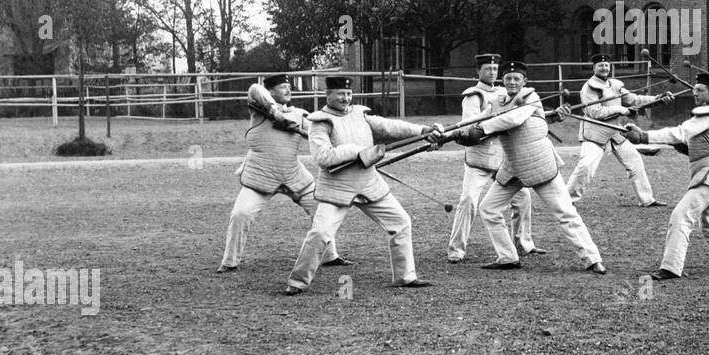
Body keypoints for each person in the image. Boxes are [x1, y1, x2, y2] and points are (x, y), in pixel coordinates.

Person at [439, 61, 606, 274]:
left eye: (516, 78)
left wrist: (482, 129)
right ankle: (507, 256)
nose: (512, 82)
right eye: (508, 78)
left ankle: (592, 258)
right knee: (488, 208)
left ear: (524, 81)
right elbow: (477, 119)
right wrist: (447, 135)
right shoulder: (497, 101)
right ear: (503, 81)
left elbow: (513, 119)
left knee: (565, 212)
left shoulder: (531, 97)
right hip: (513, 167)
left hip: (539, 165)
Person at [285, 76, 435, 294]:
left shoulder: (360, 114)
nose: (346, 98)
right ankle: (297, 283)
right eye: (340, 94)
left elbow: (390, 126)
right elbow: (322, 157)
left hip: (368, 182)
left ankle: (405, 276)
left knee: (401, 222)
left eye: (348, 94)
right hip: (337, 187)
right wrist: (357, 150)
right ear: (328, 95)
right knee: (320, 233)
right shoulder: (320, 122)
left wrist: (423, 131)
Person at [218, 74, 352, 273]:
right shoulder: (259, 109)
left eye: (289, 86)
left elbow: (316, 136)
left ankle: (329, 255)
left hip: (293, 175)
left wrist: (296, 127)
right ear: (271, 91)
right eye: (283, 87)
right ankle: (230, 261)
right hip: (261, 174)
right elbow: (255, 88)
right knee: (240, 213)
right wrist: (275, 112)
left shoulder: (300, 114)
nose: (288, 90)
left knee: (322, 210)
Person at [624, 71, 709, 280]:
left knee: (680, 216)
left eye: (700, 90)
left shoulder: (708, 114)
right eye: (694, 89)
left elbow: (679, 133)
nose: (694, 93)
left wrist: (643, 136)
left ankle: (671, 267)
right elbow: (697, 142)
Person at [445, 54, 540, 263]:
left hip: (501, 158)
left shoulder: (503, 93)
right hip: (479, 158)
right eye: (487, 69)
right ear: (477, 72)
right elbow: (469, 126)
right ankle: (456, 249)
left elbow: (519, 116)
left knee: (523, 198)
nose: (492, 72)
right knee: (469, 200)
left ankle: (524, 243)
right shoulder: (473, 96)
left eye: (495, 69)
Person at [564, 53, 668, 208]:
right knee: (586, 166)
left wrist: (657, 99)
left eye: (606, 65)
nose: (604, 68)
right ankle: (566, 201)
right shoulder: (589, 88)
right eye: (600, 65)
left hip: (614, 132)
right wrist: (620, 109)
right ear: (594, 68)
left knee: (635, 161)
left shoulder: (615, 85)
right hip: (595, 133)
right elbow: (595, 112)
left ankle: (647, 199)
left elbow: (634, 99)